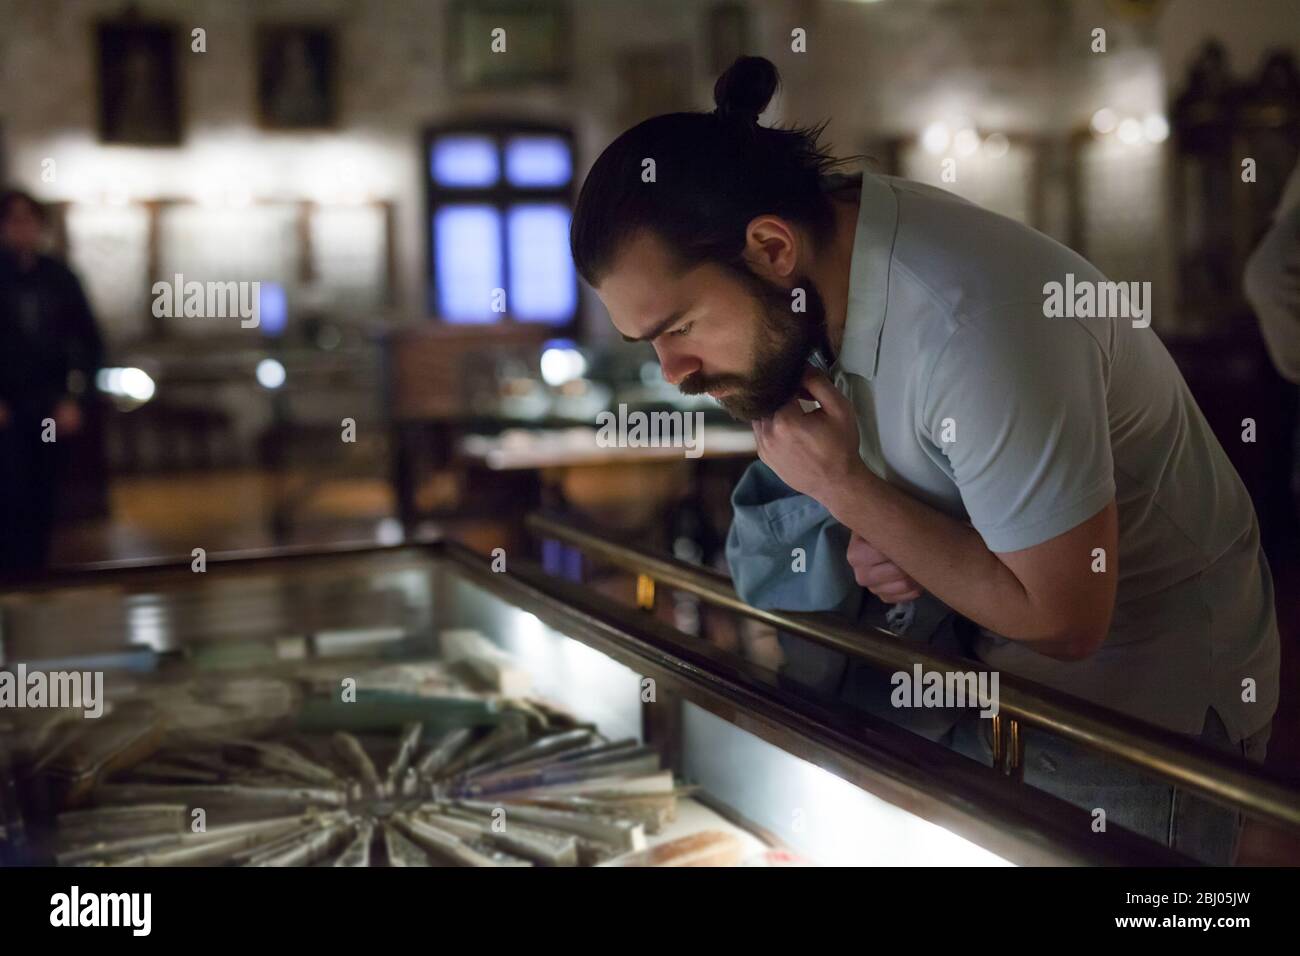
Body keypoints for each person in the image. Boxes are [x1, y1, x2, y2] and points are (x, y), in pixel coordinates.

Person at [570, 56, 1279, 864]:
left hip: (1133, 712)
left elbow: (1063, 618)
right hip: (986, 688)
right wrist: (897, 530)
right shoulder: (834, 258)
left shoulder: (975, 324)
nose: (675, 372)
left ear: (770, 247)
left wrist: (847, 489)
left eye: (679, 327)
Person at [0, 188, 104, 572]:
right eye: (13, 221)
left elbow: (89, 342)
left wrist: (75, 398)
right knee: (8, 491)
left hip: (48, 404)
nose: (21, 230)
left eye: (29, 221)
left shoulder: (58, 277)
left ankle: (34, 574)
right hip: (7, 406)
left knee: (42, 491)